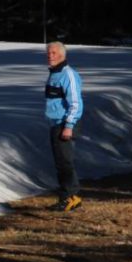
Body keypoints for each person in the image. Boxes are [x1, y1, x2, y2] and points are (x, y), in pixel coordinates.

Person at [44, 41, 84, 212]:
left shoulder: (68, 74)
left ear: (62, 54)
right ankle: (66, 197)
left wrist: (69, 125)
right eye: (48, 53)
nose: (50, 56)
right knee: (60, 163)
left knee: (65, 162)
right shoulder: (54, 74)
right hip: (56, 124)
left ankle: (71, 197)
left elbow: (75, 103)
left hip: (65, 124)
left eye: (53, 53)